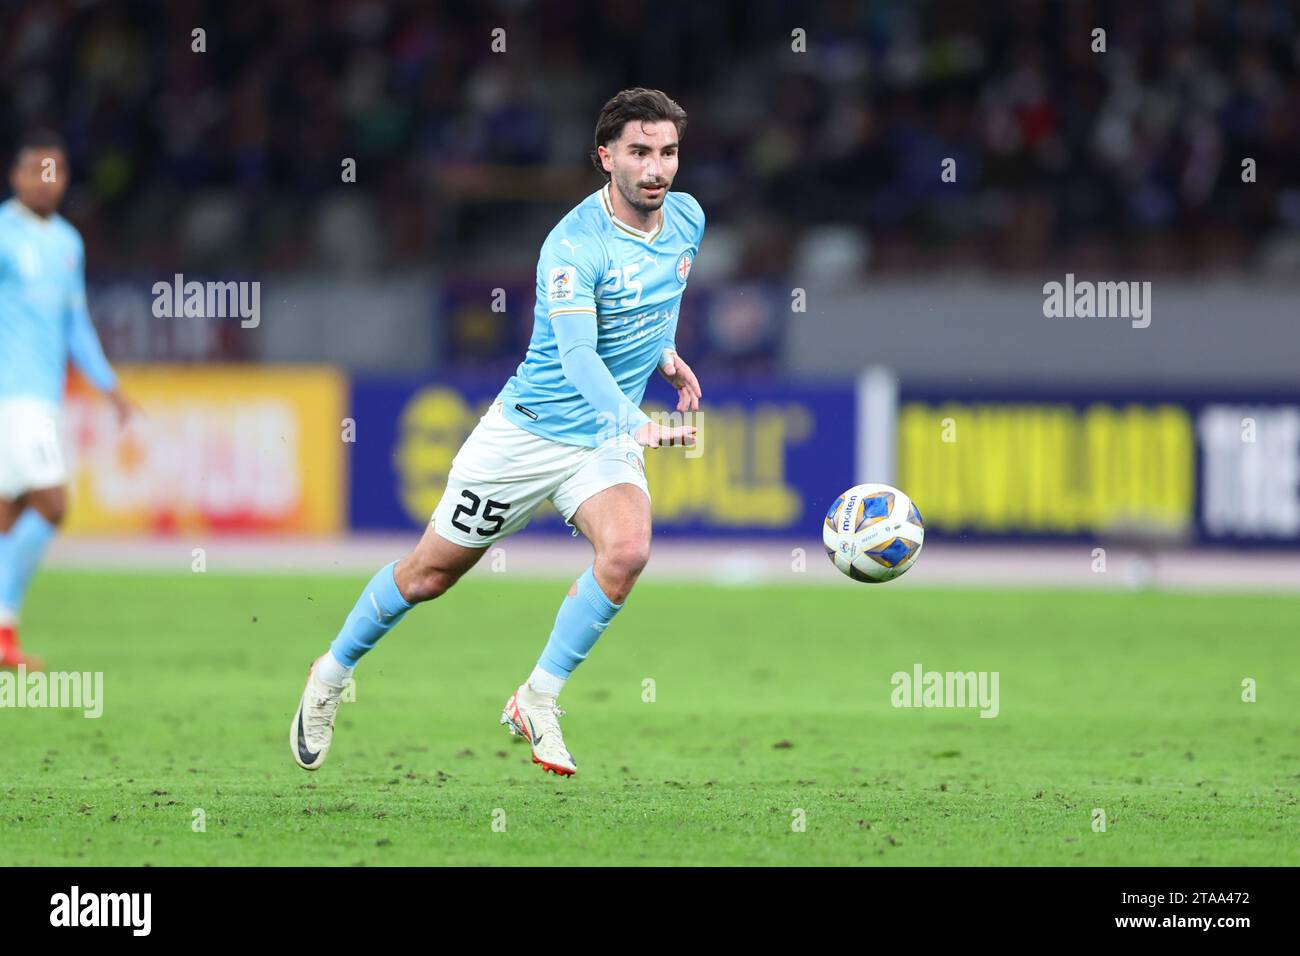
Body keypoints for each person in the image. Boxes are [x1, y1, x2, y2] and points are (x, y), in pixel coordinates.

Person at [291, 88, 704, 776]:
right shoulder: (574, 246)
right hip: (528, 435)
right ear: (606, 158)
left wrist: (664, 355)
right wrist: (636, 419)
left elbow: (657, 300)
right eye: (639, 152)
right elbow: (575, 357)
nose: (657, 168)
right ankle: (330, 675)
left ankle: (538, 697)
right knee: (427, 576)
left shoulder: (687, 218)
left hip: (597, 445)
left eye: (667, 152)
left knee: (628, 551)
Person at [0, 129, 132, 670]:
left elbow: (75, 322)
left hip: (41, 400)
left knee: (9, 516)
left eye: (55, 173)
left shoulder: (67, 244)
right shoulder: (4, 234)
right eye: (36, 170)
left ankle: (4, 635)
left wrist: (109, 385)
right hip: (14, 399)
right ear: (17, 175)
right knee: (53, 506)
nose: (45, 182)